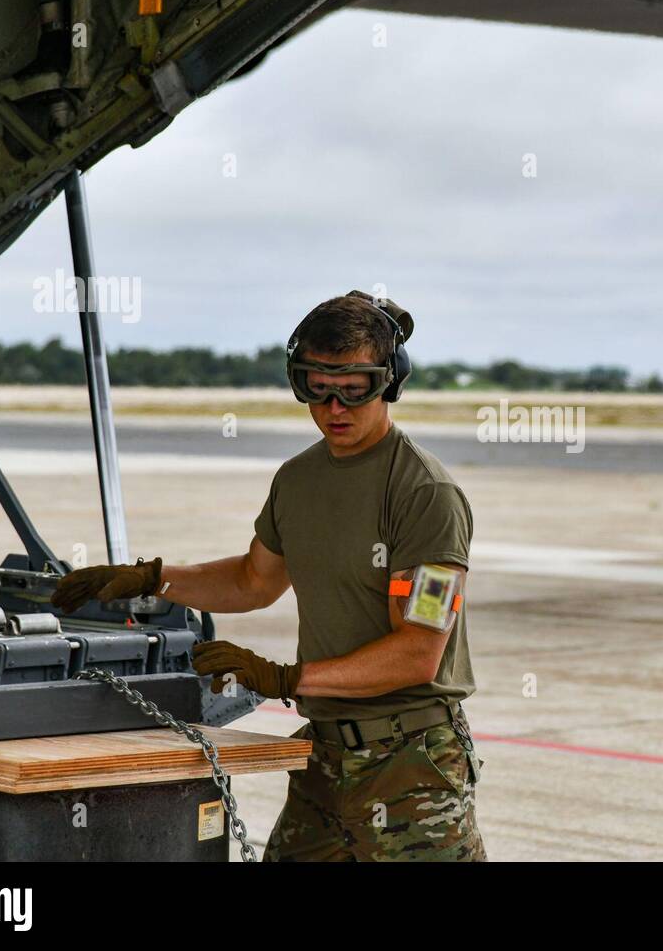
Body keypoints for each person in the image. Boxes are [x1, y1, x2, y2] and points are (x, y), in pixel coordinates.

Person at [51, 290, 485, 861]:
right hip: (324, 761)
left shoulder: (425, 494)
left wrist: (281, 678)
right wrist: (150, 579)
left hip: (410, 768)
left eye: (354, 389)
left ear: (389, 383)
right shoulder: (298, 481)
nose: (334, 407)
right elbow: (254, 580)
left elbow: (417, 653)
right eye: (315, 386)